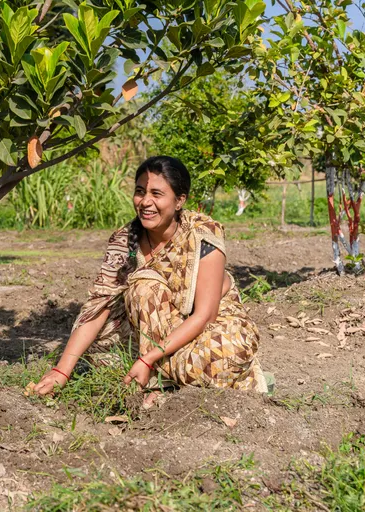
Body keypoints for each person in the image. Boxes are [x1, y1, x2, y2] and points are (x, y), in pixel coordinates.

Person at [32, 156, 267, 404]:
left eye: (157, 193)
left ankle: (155, 374)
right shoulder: (124, 242)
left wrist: (148, 358)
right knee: (134, 299)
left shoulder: (202, 233)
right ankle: (162, 380)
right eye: (140, 192)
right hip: (153, 331)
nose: (145, 202)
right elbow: (98, 307)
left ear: (179, 201)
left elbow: (204, 316)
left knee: (223, 357)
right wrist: (61, 371)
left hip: (210, 326)